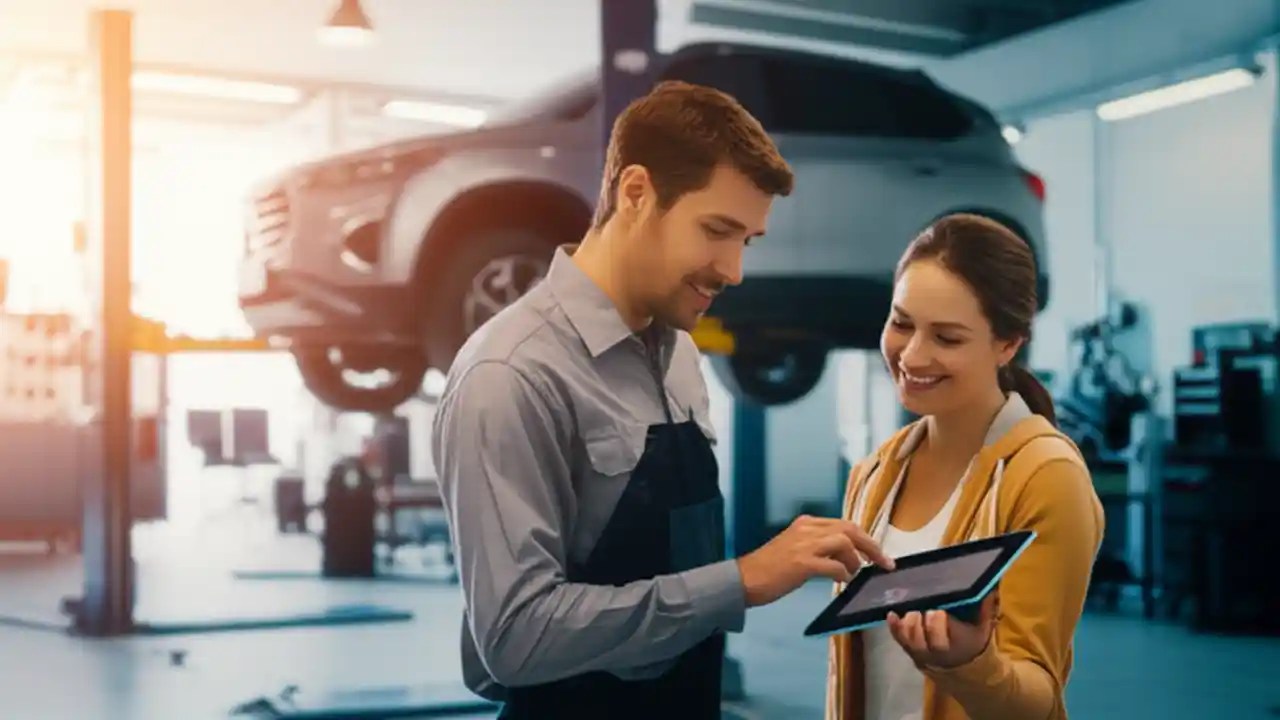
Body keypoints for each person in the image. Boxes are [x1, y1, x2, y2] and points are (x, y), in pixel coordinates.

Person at [432, 80, 894, 720]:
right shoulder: (509, 374)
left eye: (747, 242)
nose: (733, 269)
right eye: (717, 230)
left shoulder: (677, 349)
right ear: (636, 193)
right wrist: (743, 580)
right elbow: (514, 639)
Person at [825, 214, 1105, 720]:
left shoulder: (1044, 475)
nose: (912, 354)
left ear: (1008, 344)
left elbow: (1038, 699)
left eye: (947, 338)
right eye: (901, 322)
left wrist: (971, 663)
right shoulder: (873, 476)